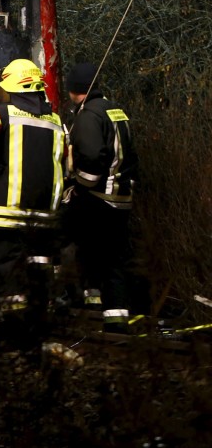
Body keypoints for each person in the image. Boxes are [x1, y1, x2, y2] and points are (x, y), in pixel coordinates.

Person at [0, 58, 65, 337]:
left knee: (9, 269)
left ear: (13, 89)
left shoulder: (3, 113)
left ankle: (16, 330)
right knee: (39, 266)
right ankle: (41, 321)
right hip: (45, 215)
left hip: (8, 212)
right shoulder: (55, 121)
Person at [64, 61, 139, 334]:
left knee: (79, 242)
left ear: (75, 90)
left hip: (98, 196)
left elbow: (93, 157)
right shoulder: (116, 110)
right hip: (122, 196)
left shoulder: (88, 116)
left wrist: (79, 185)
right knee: (115, 256)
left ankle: (81, 300)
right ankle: (115, 315)